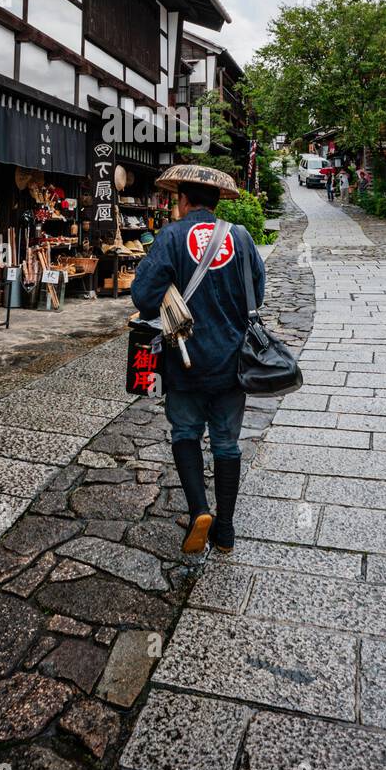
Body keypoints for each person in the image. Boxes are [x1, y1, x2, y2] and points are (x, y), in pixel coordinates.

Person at [131, 164, 266, 557]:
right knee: (227, 443)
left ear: (183, 200)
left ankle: (199, 511)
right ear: (217, 202)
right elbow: (256, 292)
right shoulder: (240, 237)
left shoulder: (171, 236)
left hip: (184, 360)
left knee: (185, 433)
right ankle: (224, 530)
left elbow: (143, 295)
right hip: (232, 362)